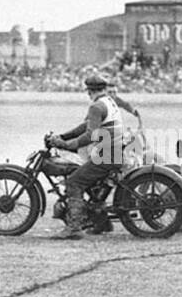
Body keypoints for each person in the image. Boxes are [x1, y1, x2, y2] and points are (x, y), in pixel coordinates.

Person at [46, 72, 126, 239]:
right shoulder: (109, 102)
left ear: (89, 91)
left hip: (106, 155)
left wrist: (67, 145)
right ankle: (102, 222)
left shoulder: (96, 107)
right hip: (114, 152)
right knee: (91, 184)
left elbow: (90, 135)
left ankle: (74, 227)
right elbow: (86, 126)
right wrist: (64, 136)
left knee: (74, 182)